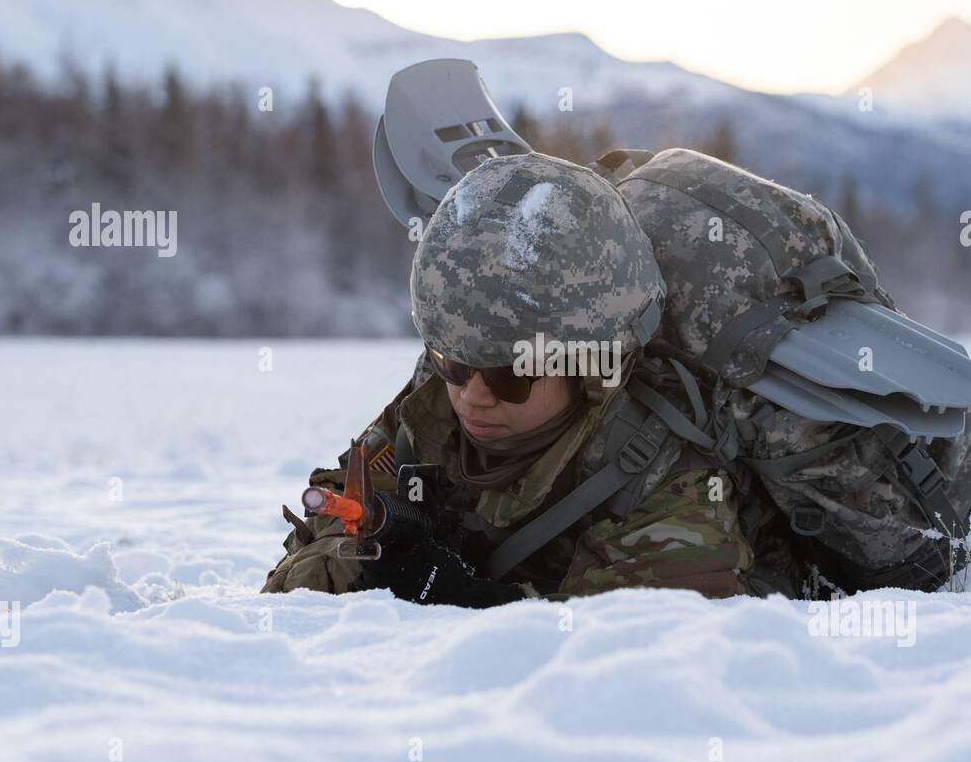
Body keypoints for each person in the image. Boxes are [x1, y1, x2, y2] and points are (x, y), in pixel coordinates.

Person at [261, 152, 754, 604]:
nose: (472, 397)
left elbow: (626, 654)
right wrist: (341, 560)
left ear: (587, 368)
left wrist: (475, 603)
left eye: (511, 375)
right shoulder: (432, 408)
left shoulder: (664, 485)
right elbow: (346, 498)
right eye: (451, 363)